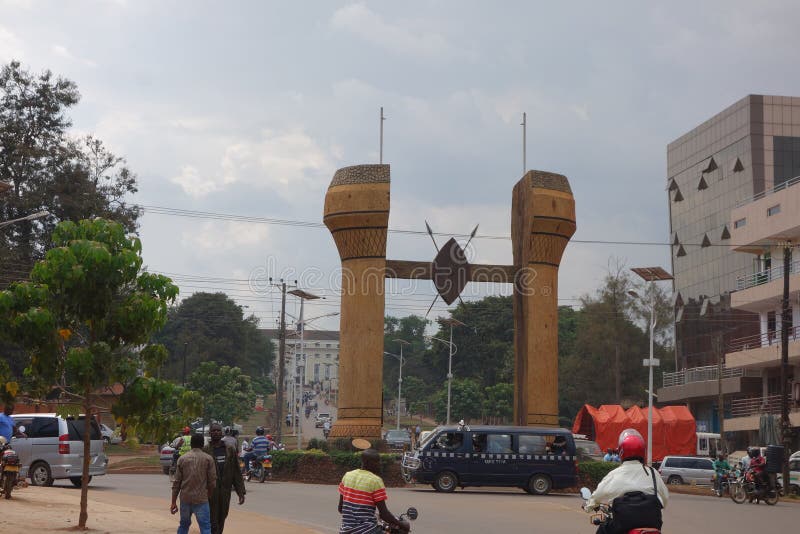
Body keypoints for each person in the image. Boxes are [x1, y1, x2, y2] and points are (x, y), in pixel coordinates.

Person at [586, 429, 669, 534]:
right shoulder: (653, 473)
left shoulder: (615, 474)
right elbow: (665, 498)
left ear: (621, 452)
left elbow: (598, 494)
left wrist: (589, 505)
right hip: (652, 525)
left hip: (622, 526)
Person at [338, 448, 408, 534]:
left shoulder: (347, 476)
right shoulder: (375, 481)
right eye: (377, 462)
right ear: (367, 462)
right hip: (368, 531)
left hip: (345, 531)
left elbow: (341, 508)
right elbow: (384, 514)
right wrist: (402, 525)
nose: (379, 464)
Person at [203, 423, 246, 534]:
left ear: (222, 433)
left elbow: (236, 472)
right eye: (214, 431)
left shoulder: (229, 449)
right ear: (210, 433)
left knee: (222, 516)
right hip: (211, 491)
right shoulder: (206, 450)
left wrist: (240, 492)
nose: (216, 432)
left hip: (225, 490)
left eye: (218, 430)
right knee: (212, 518)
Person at [171, 433, 216, 534]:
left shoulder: (182, 459)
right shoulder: (208, 459)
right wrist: (209, 495)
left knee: (183, 525)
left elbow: (176, 483)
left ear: (191, 444)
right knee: (205, 527)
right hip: (201, 500)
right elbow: (212, 481)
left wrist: (173, 502)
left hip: (185, 499)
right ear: (202, 445)